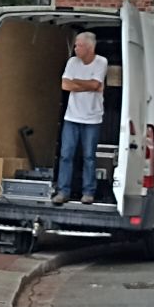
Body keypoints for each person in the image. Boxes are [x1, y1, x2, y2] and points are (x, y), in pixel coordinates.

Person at [53, 31, 107, 206]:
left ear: (90, 47)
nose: (75, 48)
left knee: (89, 157)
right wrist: (88, 85)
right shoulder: (72, 62)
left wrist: (78, 83)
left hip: (92, 118)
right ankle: (63, 191)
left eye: (79, 45)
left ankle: (88, 192)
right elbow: (65, 85)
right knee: (66, 155)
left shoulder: (101, 62)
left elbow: (96, 84)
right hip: (72, 117)